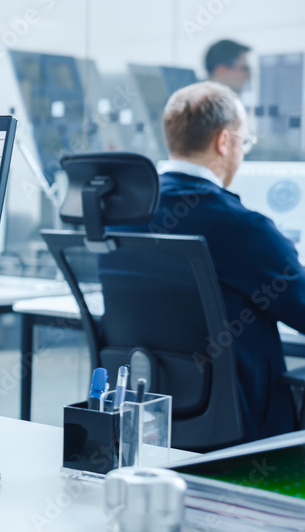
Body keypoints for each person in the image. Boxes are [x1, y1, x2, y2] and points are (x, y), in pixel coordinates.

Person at [117, 81, 301, 443]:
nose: (241, 154)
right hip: (242, 428)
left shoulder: (125, 214)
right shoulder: (246, 228)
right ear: (224, 141)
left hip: (146, 415)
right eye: (243, 143)